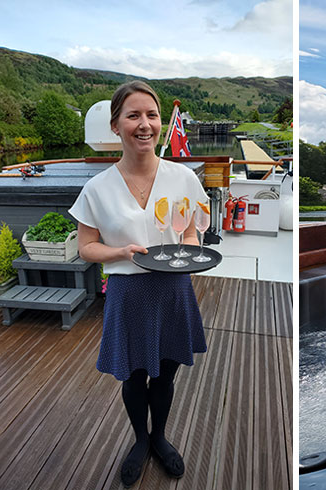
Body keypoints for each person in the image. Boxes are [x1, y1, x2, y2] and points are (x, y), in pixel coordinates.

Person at [68, 80, 208, 487]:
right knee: (133, 376)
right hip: (128, 292)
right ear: (116, 126)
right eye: (133, 115)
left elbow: (193, 233)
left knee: (165, 374)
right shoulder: (97, 188)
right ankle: (140, 440)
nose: (144, 124)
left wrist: (187, 248)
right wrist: (121, 252)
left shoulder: (182, 178)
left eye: (151, 115)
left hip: (173, 288)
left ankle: (161, 437)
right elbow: (86, 248)